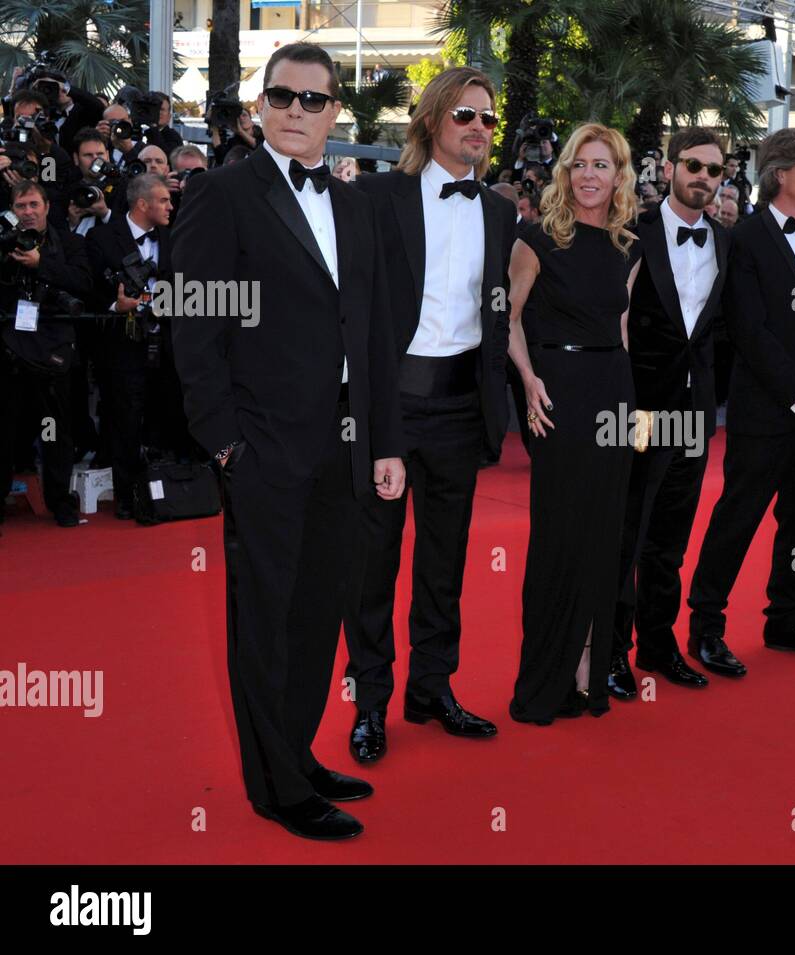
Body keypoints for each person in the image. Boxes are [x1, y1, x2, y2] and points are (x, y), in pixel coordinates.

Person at [170, 42, 406, 840]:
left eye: (312, 100)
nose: (295, 113)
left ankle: (297, 752)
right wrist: (225, 443)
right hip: (265, 447)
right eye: (281, 97)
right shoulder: (224, 194)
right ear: (259, 106)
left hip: (343, 443)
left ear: (336, 111)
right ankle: (274, 786)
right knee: (265, 617)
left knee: (318, 609)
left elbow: (373, 333)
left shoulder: (356, 205)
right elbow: (194, 323)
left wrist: (382, 440)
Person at [342, 67, 517, 763]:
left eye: (488, 120)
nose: (478, 129)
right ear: (433, 120)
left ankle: (432, 687)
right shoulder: (379, 197)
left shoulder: (502, 210)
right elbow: (353, 306)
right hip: (389, 406)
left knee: (445, 562)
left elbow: (500, 315)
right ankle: (370, 704)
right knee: (373, 563)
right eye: (465, 116)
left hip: (458, 408)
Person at [686, 127, 795, 676]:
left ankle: (785, 616)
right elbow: (748, 329)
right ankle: (705, 627)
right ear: (779, 173)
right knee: (737, 518)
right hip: (767, 413)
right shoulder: (747, 239)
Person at [505, 123, 642, 724]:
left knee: (604, 533)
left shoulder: (628, 246)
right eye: (580, 164)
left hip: (613, 391)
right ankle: (545, 675)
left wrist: (636, 410)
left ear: (619, 176)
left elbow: (622, 330)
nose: (590, 175)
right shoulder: (535, 238)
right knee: (559, 534)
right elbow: (507, 319)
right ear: (565, 171)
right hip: (558, 393)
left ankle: (590, 662)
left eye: (602, 165)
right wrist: (529, 380)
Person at [609, 127, 728, 699]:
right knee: (625, 532)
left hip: (695, 412)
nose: (703, 177)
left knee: (670, 539)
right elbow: (616, 321)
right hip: (640, 408)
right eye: (694, 166)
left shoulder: (726, 243)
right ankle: (612, 653)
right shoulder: (632, 234)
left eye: (714, 169)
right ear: (670, 169)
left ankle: (658, 644)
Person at [0, 180, 94, 529]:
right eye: (21, 206)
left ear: (46, 207)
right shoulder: (3, 240)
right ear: (13, 210)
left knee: (54, 431)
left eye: (33, 205)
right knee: (5, 432)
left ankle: (60, 502)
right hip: (9, 350)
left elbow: (84, 283)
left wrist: (41, 264)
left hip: (53, 354)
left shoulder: (70, 243)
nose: (27, 212)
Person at [84, 173, 174, 519]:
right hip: (121, 347)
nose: (169, 205)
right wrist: (115, 306)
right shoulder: (102, 238)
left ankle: (162, 493)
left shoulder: (173, 236)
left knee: (161, 418)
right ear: (142, 204)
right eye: (164, 200)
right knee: (124, 421)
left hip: (164, 344)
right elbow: (89, 288)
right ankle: (127, 496)